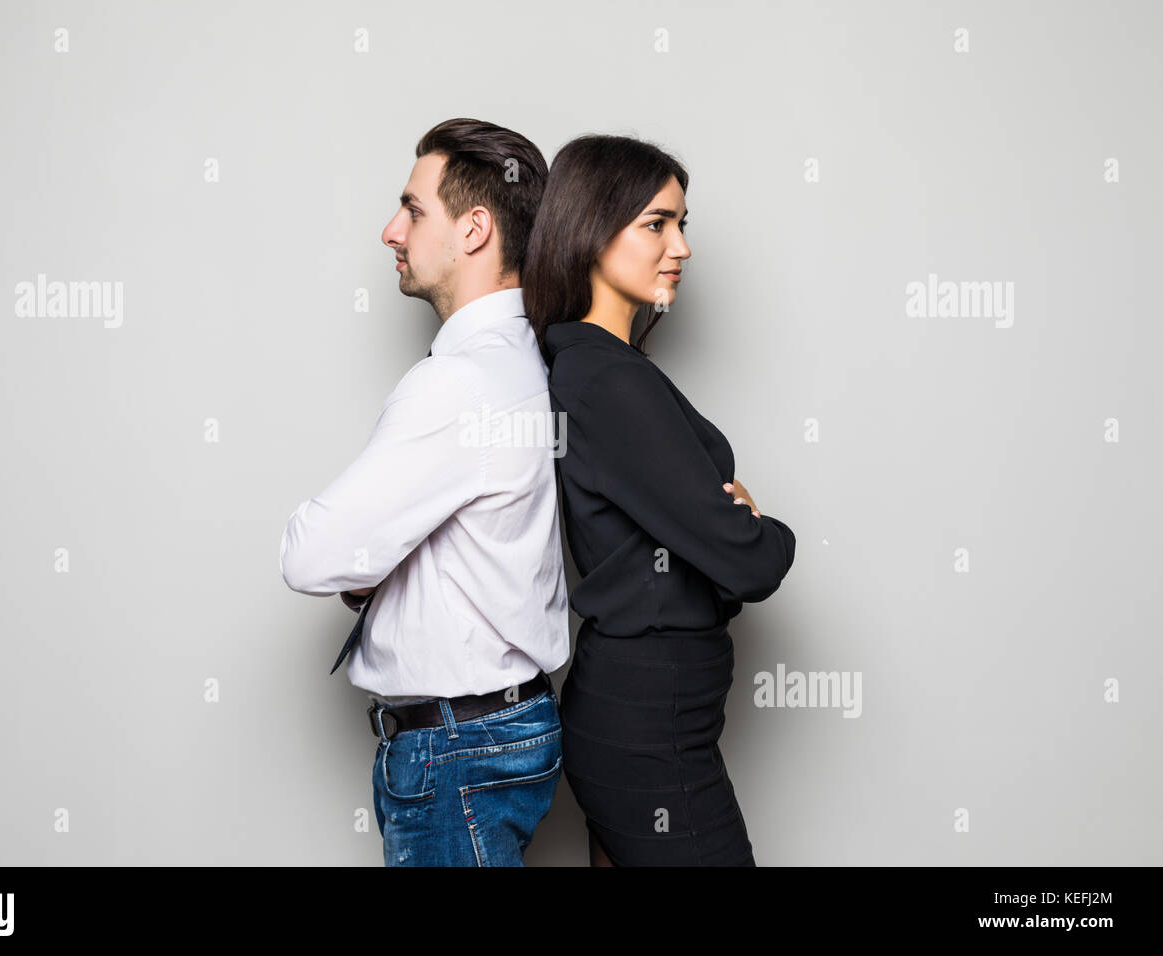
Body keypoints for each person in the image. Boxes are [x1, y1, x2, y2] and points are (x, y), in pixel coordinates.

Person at [278, 118, 569, 866]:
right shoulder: (523, 361)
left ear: (474, 229)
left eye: (413, 209)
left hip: (457, 752)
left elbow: (312, 557)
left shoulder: (458, 384)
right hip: (497, 730)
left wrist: (365, 563)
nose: (390, 230)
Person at [523, 134, 797, 866]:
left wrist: (721, 526)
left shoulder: (595, 367)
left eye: (682, 223)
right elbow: (749, 564)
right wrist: (765, 529)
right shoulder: (606, 380)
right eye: (656, 223)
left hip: (643, 712)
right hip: (647, 721)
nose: (680, 246)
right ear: (588, 229)